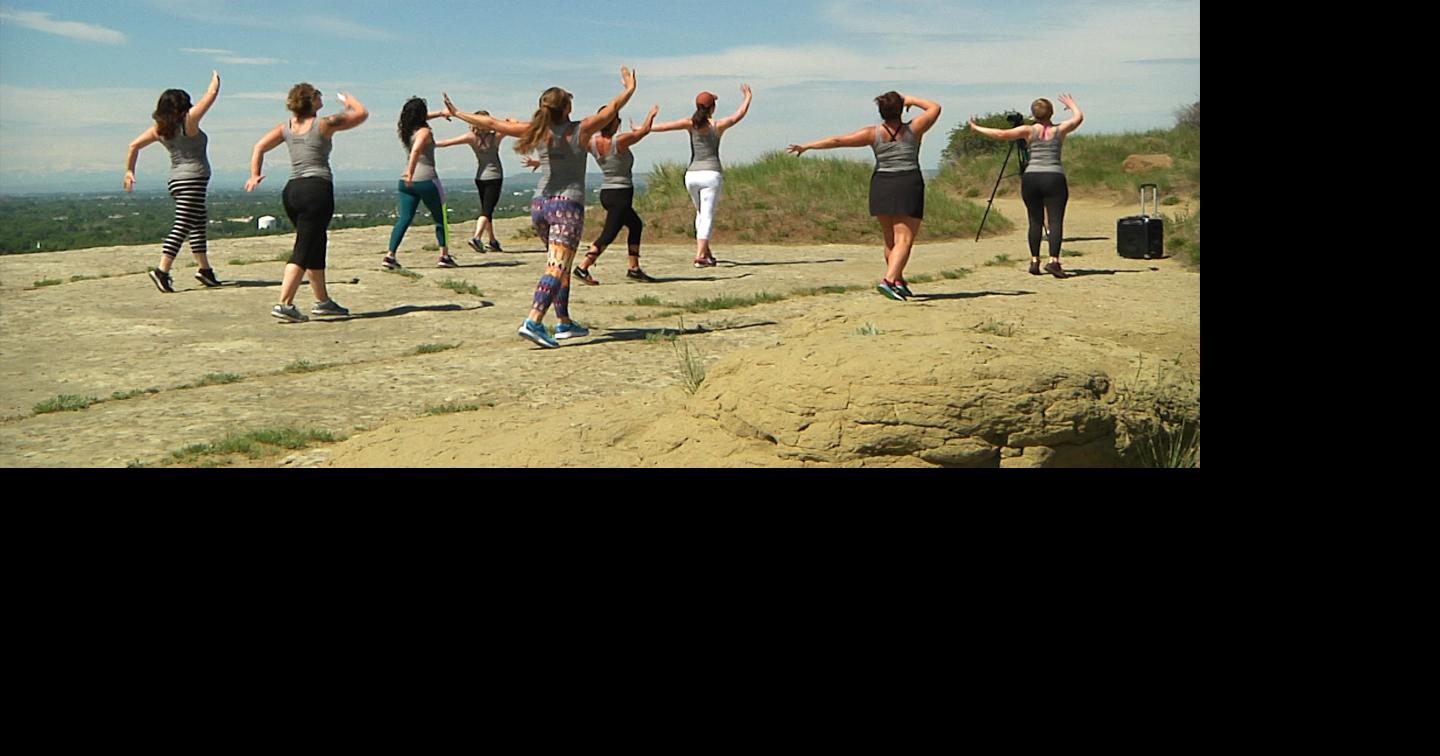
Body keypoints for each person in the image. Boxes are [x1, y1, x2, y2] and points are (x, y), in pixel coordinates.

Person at [444, 66, 637, 348]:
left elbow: (494, 123)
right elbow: (612, 109)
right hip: (566, 206)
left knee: (563, 263)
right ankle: (533, 321)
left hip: (540, 204)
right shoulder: (579, 129)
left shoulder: (537, 130)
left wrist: (458, 112)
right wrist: (629, 88)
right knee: (556, 267)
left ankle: (564, 322)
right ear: (567, 107)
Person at [787, 91, 941, 300]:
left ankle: (897, 280)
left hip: (881, 185)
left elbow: (838, 140)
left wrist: (807, 146)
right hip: (907, 182)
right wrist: (911, 100)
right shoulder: (914, 128)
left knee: (890, 241)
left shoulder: (872, 133)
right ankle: (888, 280)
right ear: (900, 109)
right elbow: (935, 107)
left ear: (881, 112)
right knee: (904, 239)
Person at [244, 83, 369, 322]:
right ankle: (284, 304)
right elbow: (361, 114)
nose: (321, 97)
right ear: (311, 101)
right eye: (317, 95)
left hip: (293, 191)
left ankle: (323, 301)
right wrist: (350, 101)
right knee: (303, 248)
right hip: (316, 190)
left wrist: (254, 174)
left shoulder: (286, 127)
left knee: (316, 243)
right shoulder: (324, 124)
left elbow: (259, 146)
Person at [124, 70, 223, 293]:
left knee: (197, 222)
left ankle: (204, 270)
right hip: (193, 179)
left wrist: (129, 170)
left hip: (177, 180)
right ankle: (162, 270)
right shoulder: (188, 122)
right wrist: (215, 80)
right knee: (183, 225)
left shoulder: (160, 130)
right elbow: (210, 96)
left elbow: (133, 146)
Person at [968, 94, 1083, 277]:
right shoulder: (1060, 130)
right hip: (1054, 177)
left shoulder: (1028, 130)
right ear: (1051, 113)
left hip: (1032, 178)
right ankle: (1054, 261)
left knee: (1034, 221)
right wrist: (1071, 105)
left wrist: (976, 127)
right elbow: (1078, 118)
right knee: (1055, 221)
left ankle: (1034, 260)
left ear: (1033, 114)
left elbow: (1000, 134)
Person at [650, 84, 752, 267]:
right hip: (711, 175)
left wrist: (642, 127)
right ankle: (700, 255)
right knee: (707, 216)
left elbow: (664, 127)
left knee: (701, 214)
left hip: (691, 175)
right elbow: (739, 115)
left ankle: (707, 254)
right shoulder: (718, 126)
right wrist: (747, 97)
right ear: (713, 108)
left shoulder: (690, 124)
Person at [573, 104, 660, 285]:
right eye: (617, 119)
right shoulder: (618, 141)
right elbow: (643, 132)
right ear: (613, 122)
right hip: (620, 194)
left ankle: (634, 268)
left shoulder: (591, 143)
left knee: (635, 225)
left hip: (607, 193)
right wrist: (650, 115)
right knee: (608, 234)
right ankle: (583, 266)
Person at [380, 97, 456, 270]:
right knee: (440, 218)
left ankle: (390, 255)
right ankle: (444, 255)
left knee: (404, 219)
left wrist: (441, 113)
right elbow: (416, 150)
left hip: (406, 183)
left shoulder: (406, 130)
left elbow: (419, 119)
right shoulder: (424, 132)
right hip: (427, 179)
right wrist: (411, 172)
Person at [436, 110, 508, 253]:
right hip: (495, 176)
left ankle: (492, 240)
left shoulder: (471, 137)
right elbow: (510, 126)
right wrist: (505, 121)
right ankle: (477, 237)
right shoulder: (496, 136)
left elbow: (446, 143)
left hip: (480, 177)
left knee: (487, 209)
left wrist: (428, 144)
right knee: (487, 210)